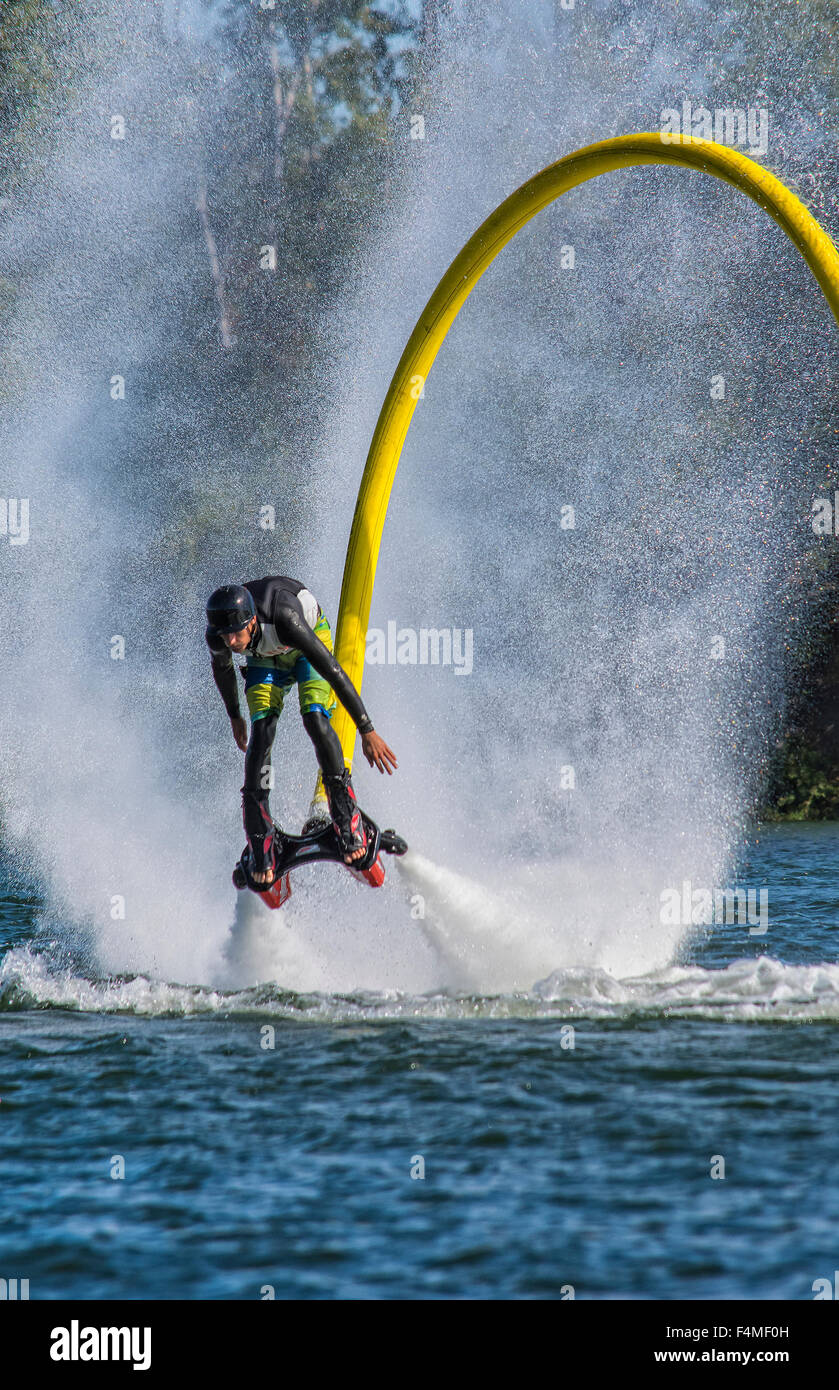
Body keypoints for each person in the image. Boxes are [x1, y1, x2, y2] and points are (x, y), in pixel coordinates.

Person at [205, 577, 397, 885]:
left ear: (252, 621)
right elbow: (223, 669)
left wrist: (367, 729)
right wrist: (234, 715)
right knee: (262, 735)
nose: (230, 643)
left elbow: (333, 672)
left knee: (314, 719)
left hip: (303, 648)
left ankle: (347, 820)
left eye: (235, 634)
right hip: (265, 661)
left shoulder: (286, 620)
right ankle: (261, 840)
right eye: (224, 636)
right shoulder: (219, 636)